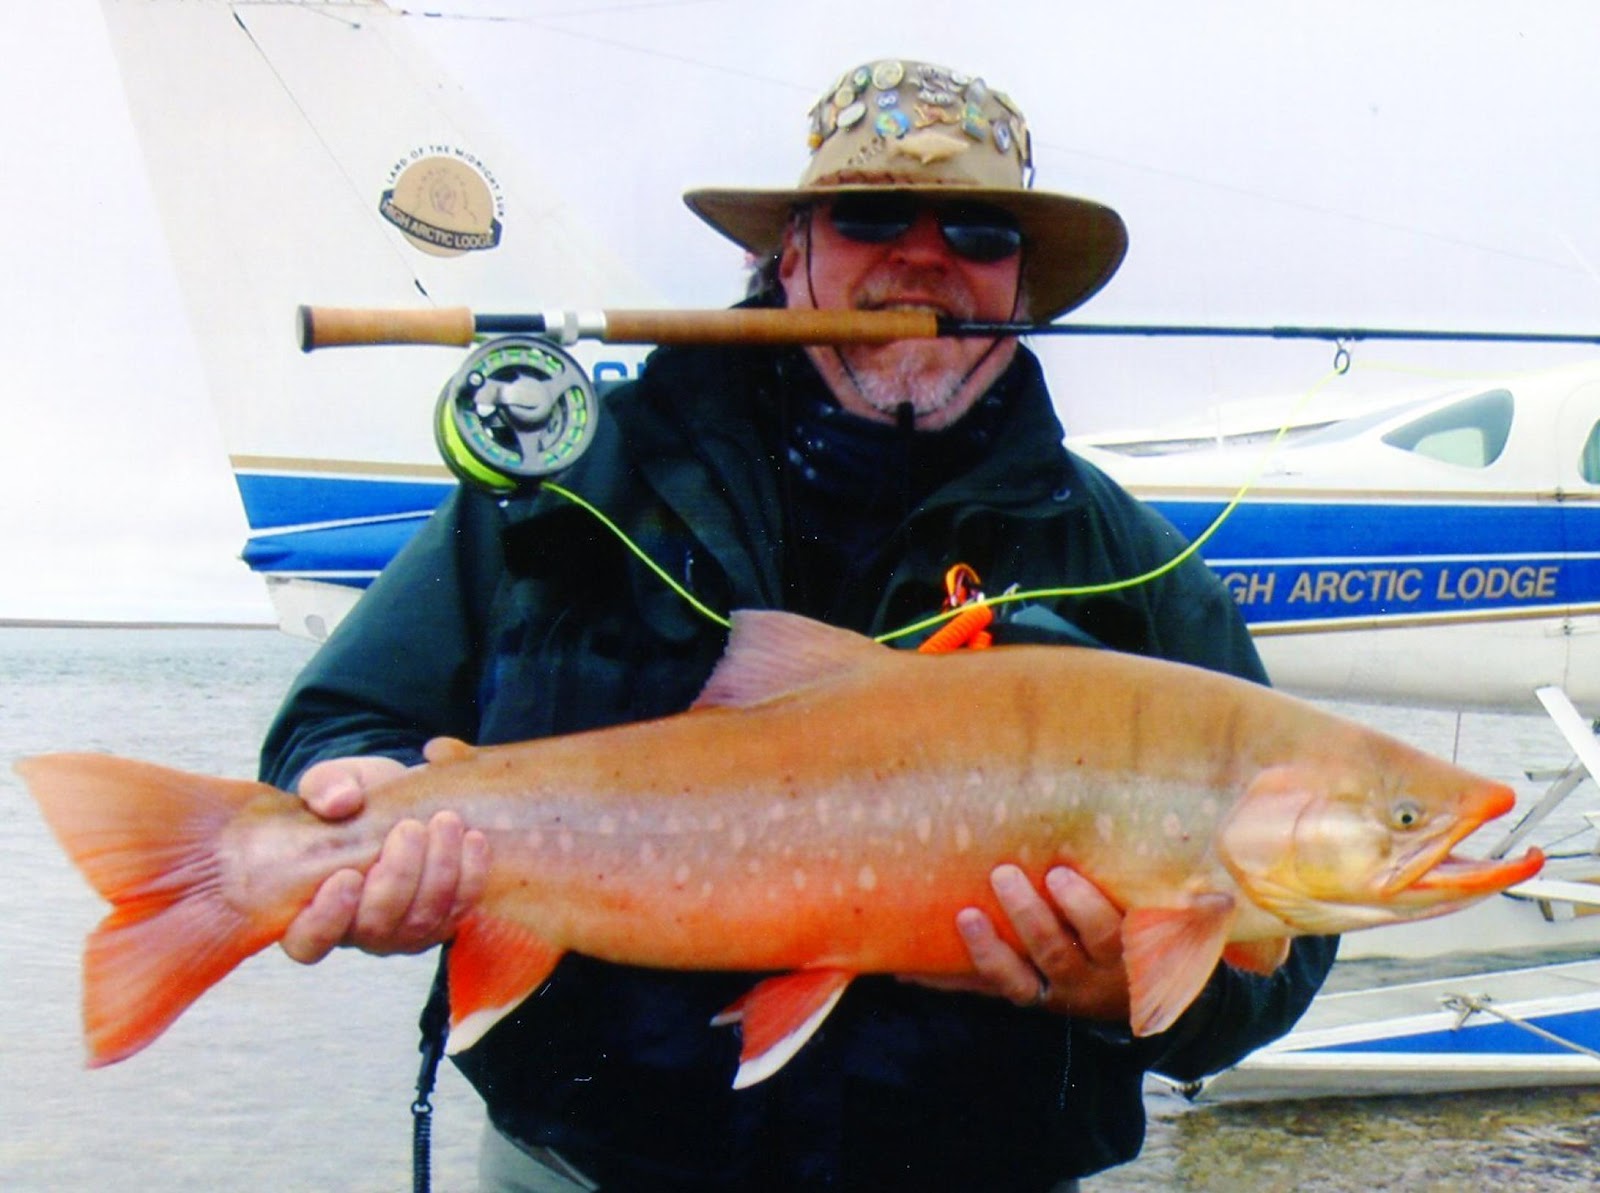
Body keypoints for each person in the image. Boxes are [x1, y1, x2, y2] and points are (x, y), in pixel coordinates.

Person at [260, 58, 1336, 1192]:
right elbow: (340, 721)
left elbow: (1286, 949)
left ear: (1022, 282)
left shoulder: (1135, 566)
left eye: (976, 231)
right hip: (582, 1166)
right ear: (789, 257)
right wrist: (355, 811)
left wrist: (1146, 992)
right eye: (869, 217)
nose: (922, 257)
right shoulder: (576, 483)